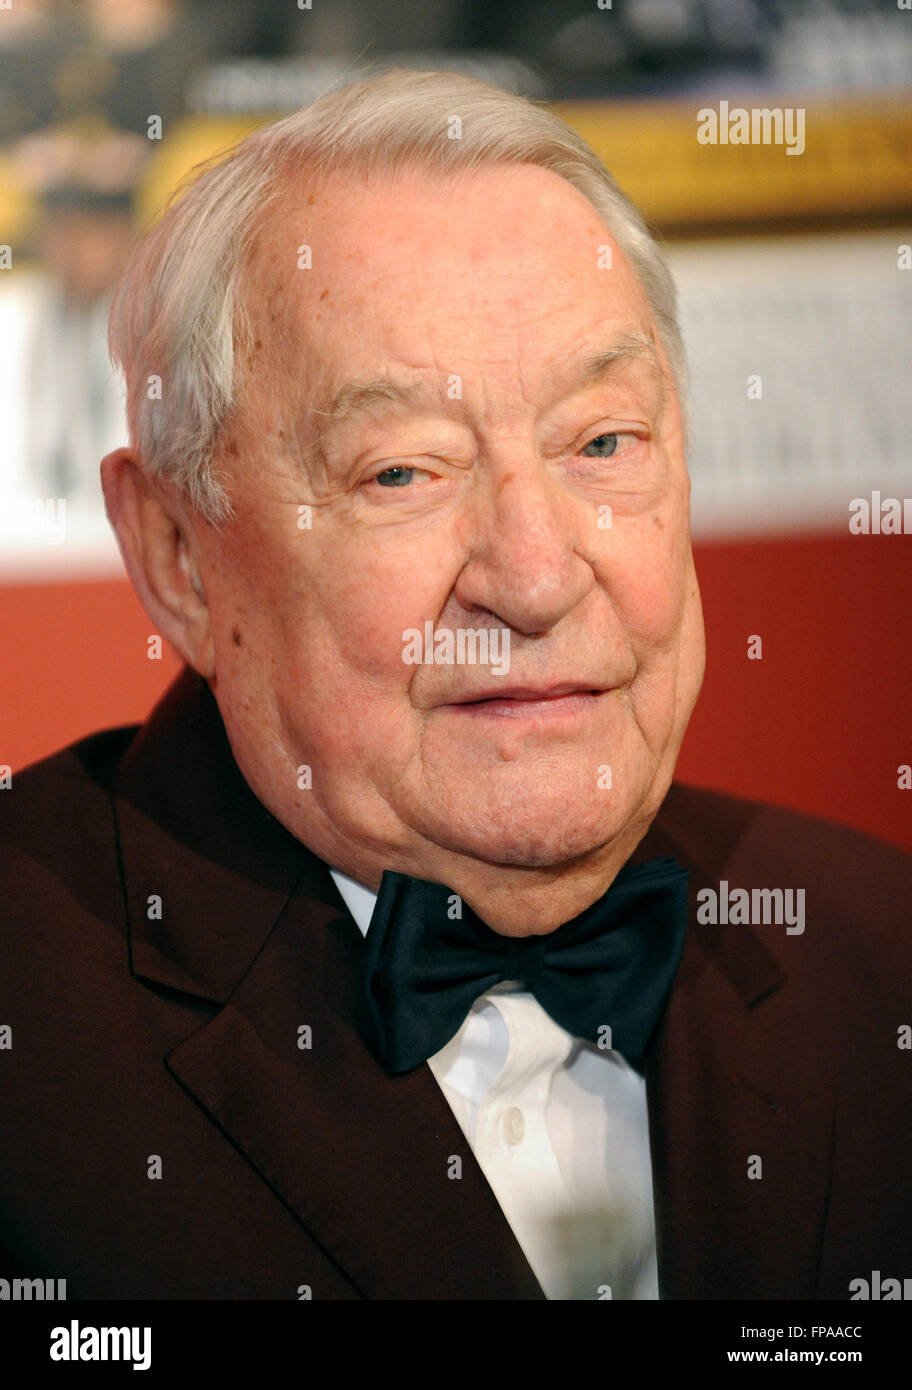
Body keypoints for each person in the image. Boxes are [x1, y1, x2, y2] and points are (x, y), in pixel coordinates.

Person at [1, 68, 909, 1302]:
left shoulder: (879, 951)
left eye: (602, 443)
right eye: (403, 473)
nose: (535, 580)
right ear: (180, 556)